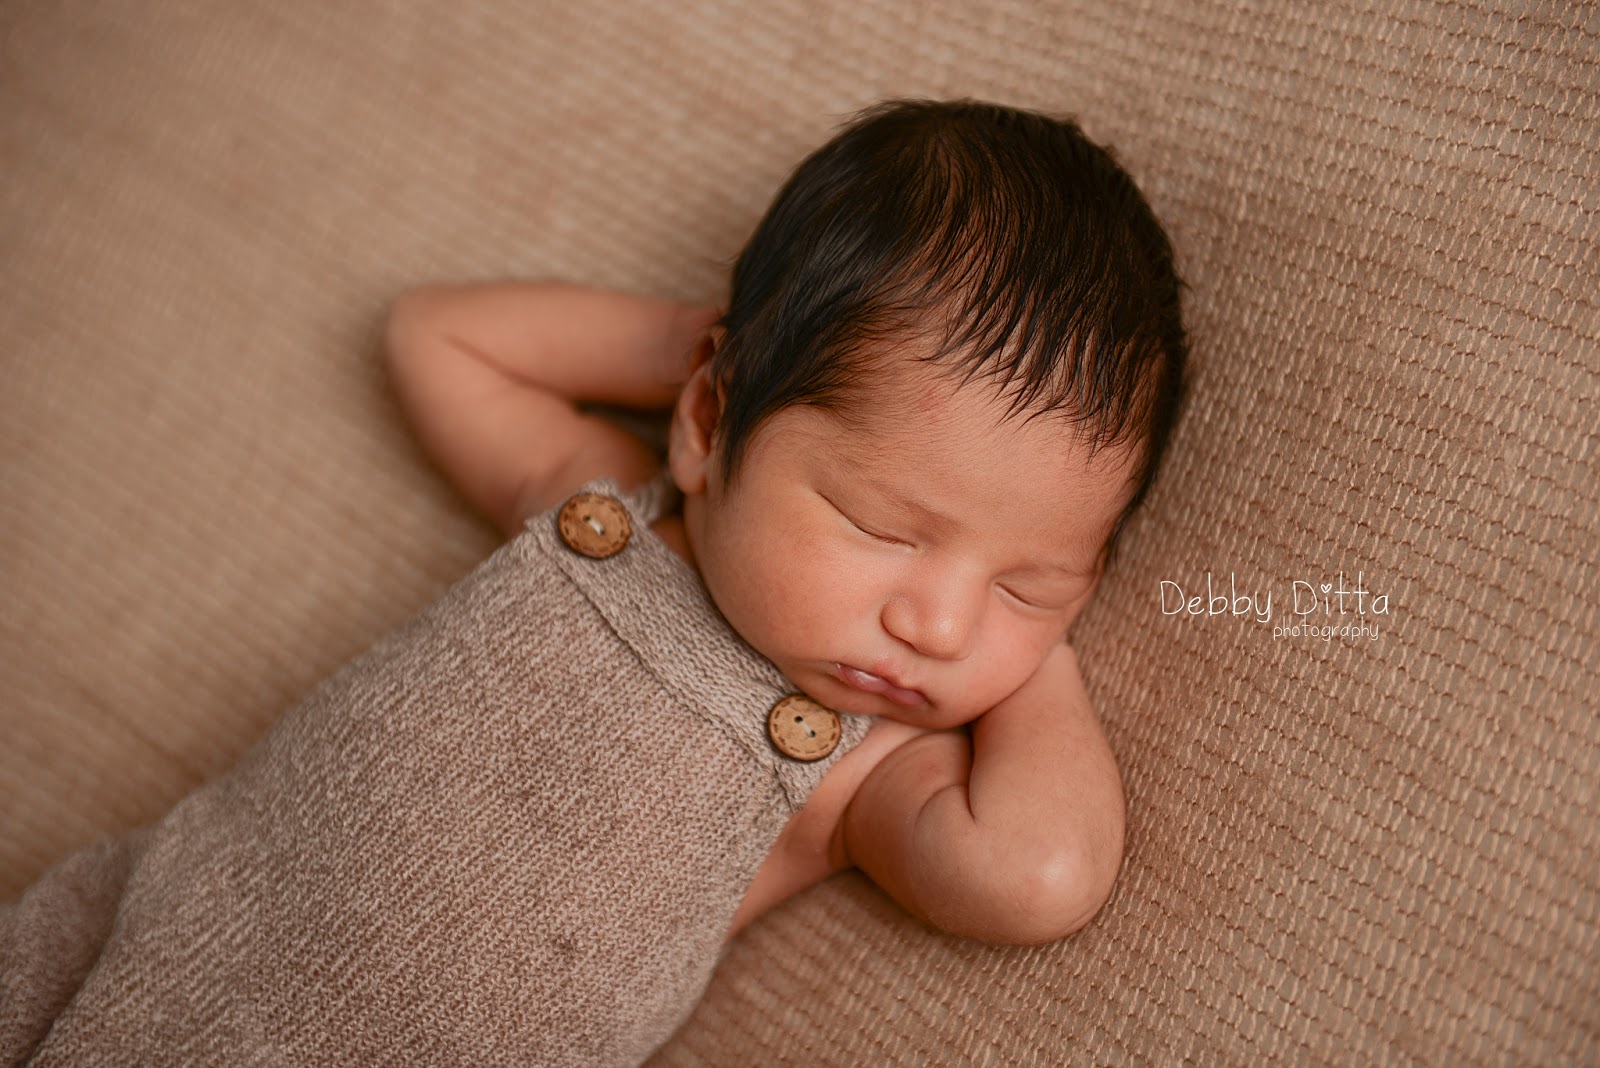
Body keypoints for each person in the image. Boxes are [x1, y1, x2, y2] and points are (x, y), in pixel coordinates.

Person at [0, 98, 1186, 1066]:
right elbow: (434, 336)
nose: (935, 621)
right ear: (711, 422)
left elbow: (1035, 876)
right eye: (881, 525)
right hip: (149, 932)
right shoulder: (604, 510)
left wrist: (1038, 659)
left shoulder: (856, 766)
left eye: (1027, 585)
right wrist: (703, 353)